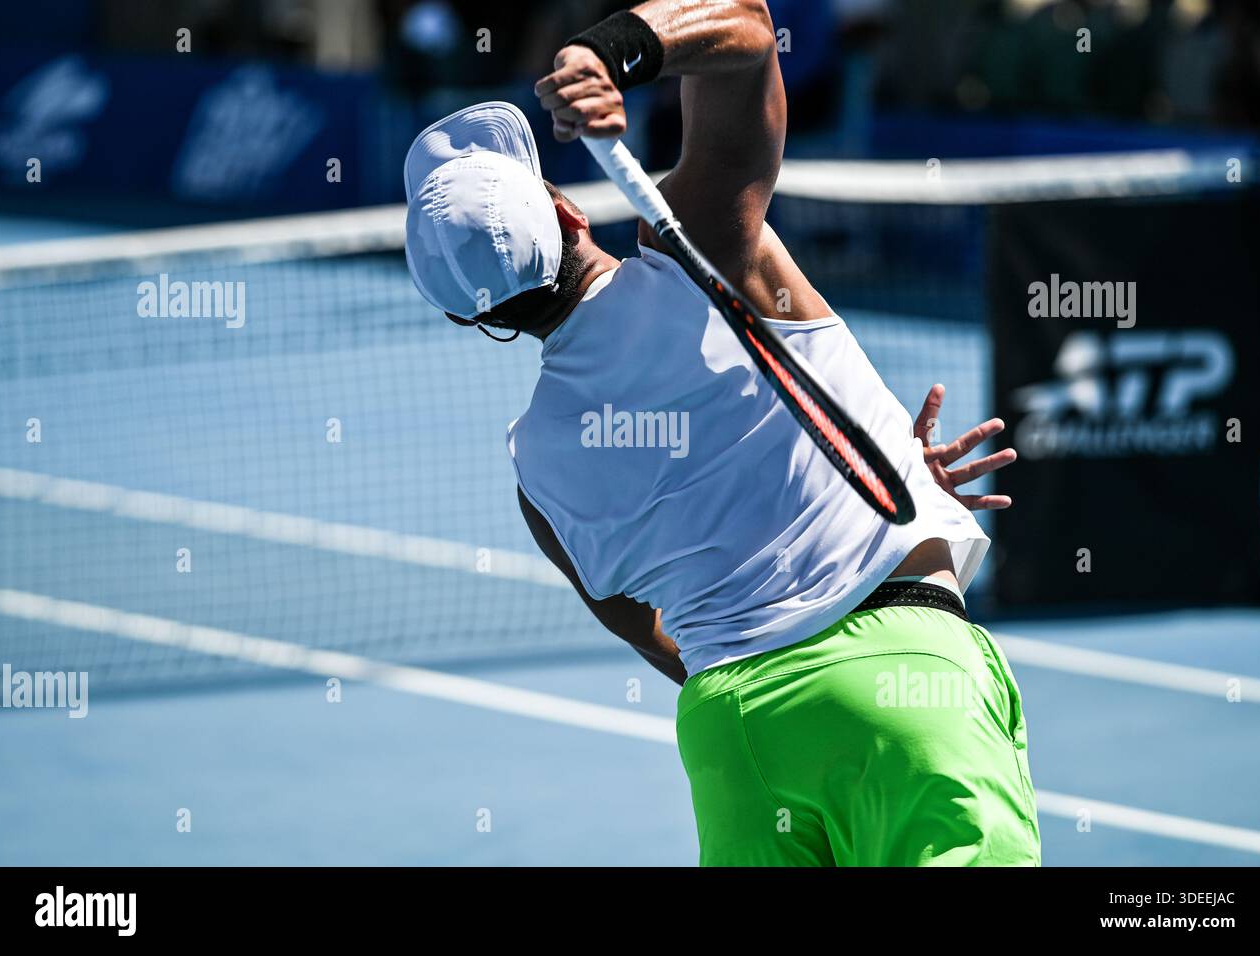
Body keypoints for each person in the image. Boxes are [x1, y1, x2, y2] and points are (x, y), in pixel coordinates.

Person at [403, 1, 1040, 866]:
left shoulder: (537, 471)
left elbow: (655, 632)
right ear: (567, 210)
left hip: (734, 736)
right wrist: (611, 53)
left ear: (473, 318)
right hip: (907, 680)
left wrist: (861, 463)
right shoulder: (701, 249)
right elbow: (744, 31)